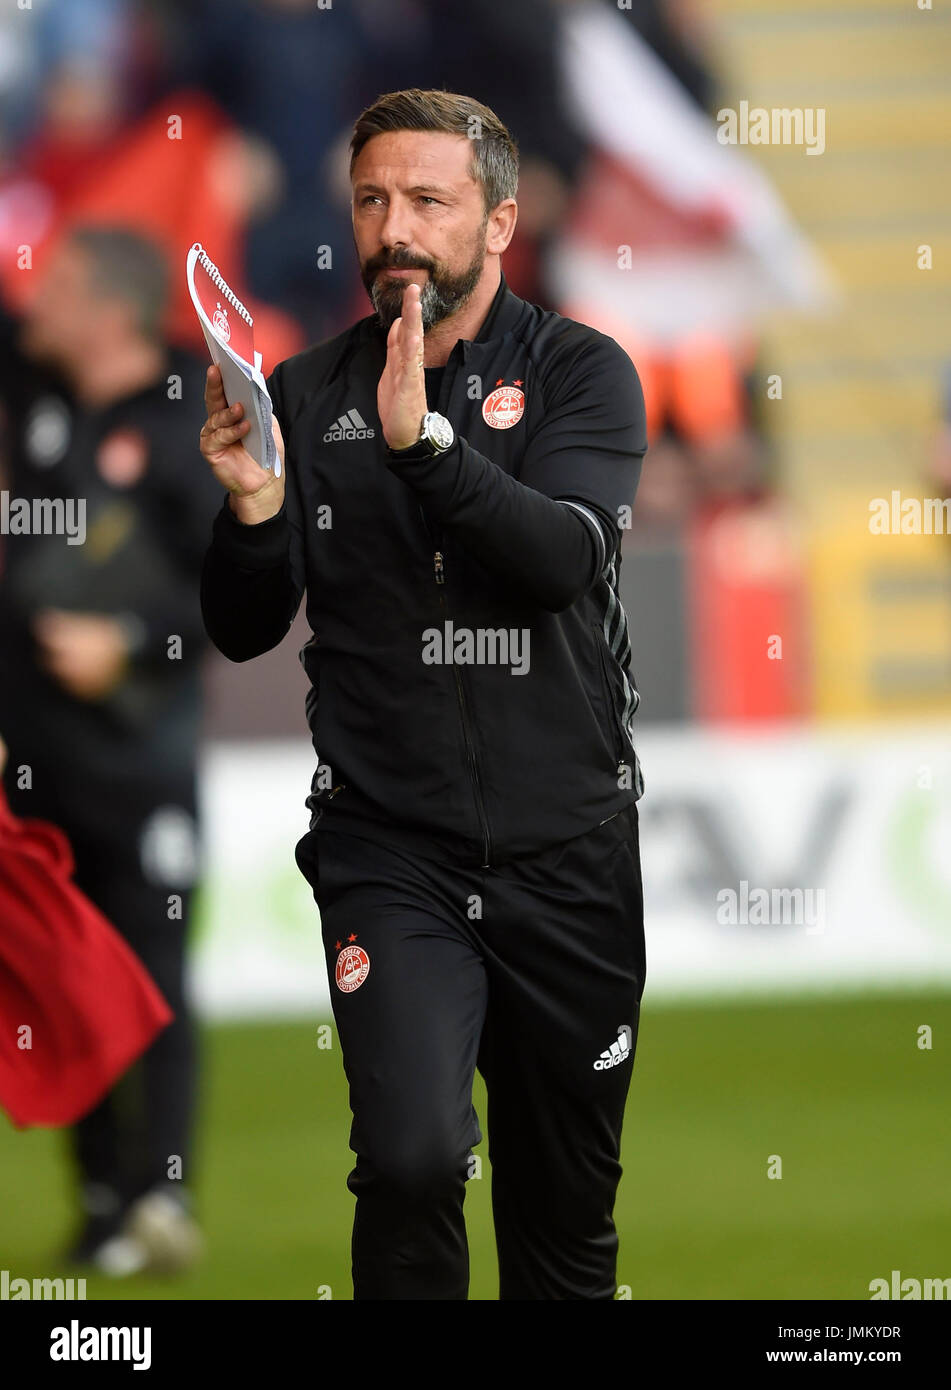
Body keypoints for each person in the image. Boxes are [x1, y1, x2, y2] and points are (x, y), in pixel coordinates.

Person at [199, 89, 648, 1301]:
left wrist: (427, 452)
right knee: (409, 1161)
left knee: (564, 1229)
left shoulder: (582, 372)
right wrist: (250, 507)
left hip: (570, 854)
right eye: (373, 201)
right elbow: (239, 629)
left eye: (429, 203)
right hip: (388, 847)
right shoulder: (300, 391)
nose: (394, 229)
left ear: (500, 223)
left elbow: (563, 561)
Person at [0, 225, 223, 1274]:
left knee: (156, 967)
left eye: (55, 285)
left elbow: (232, 604)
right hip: (34, 759)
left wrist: (128, 643)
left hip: (142, 756)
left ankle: (163, 1195)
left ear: (110, 312)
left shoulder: (193, 420)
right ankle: (98, 1204)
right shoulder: (37, 390)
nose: (32, 298)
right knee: (56, 978)